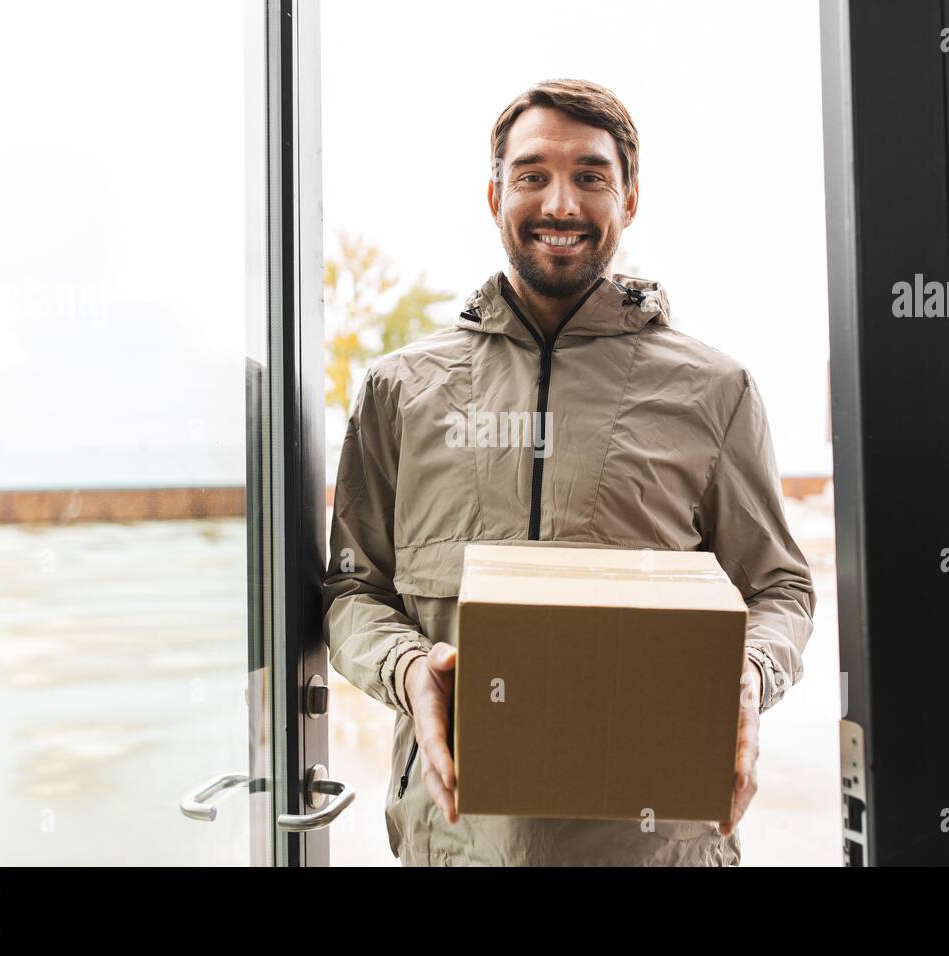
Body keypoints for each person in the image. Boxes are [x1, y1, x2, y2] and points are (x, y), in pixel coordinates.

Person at [321, 78, 815, 866]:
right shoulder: (399, 390)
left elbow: (779, 589)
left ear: (630, 198)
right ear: (493, 195)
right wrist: (409, 666)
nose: (560, 204)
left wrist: (749, 672)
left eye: (590, 176)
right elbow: (351, 590)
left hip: (657, 848)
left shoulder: (715, 391)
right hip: (451, 844)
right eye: (531, 175)